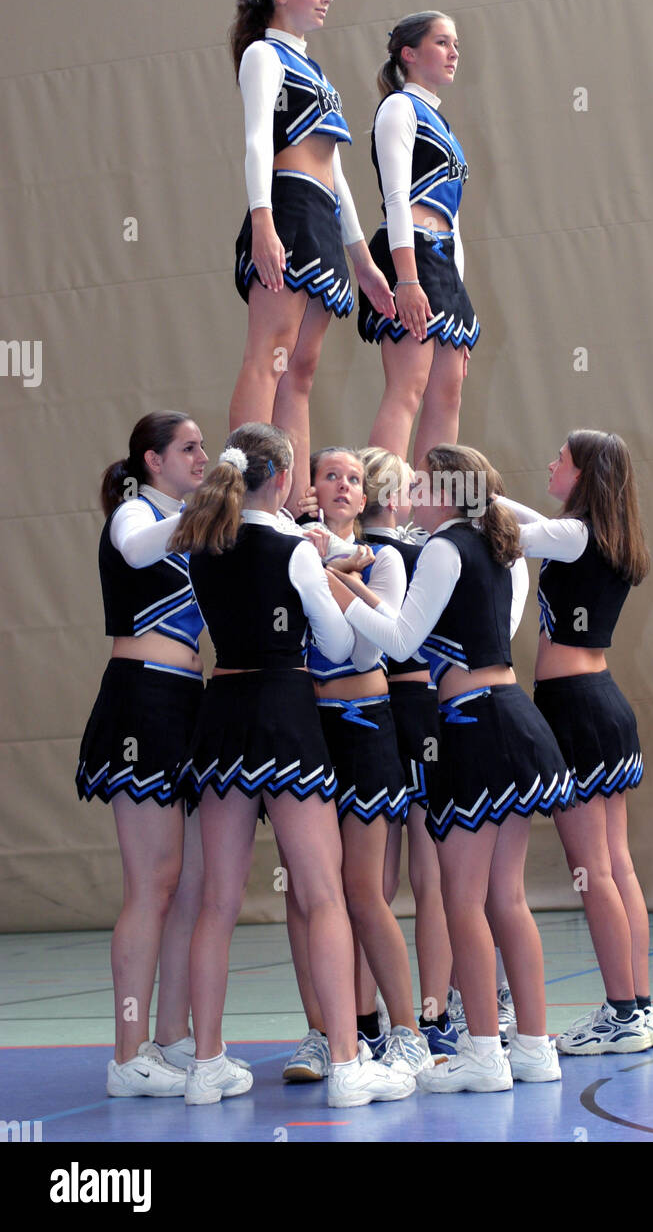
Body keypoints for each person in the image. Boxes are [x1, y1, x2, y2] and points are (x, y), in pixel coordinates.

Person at [171, 424, 416, 1108]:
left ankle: (207, 1062)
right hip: (285, 710)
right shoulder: (293, 550)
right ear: (281, 481)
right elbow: (341, 640)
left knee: (216, 900)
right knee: (322, 893)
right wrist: (332, 575)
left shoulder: (202, 545)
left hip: (222, 712)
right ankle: (346, 1061)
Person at [326, 444, 566, 1092]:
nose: (411, 497)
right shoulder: (499, 545)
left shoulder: (443, 547)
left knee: (464, 901)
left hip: (472, 724)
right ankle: (535, 1049)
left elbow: (401, 641)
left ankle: (484, 1053)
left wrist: (338, 588)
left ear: (448, 492)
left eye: (423, 484)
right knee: (507, 898)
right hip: (515, 714)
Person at [270, 445, 432, 1083]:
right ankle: (322, 1032)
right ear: (311, 488)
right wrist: (310, 556)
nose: (342, 485)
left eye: (353, 479)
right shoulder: (291, 551)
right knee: (304, 893)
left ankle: (408, 1031)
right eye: (330, 475)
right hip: (305, 728)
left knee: (364, 890)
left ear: (367, 499)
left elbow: (376, 637)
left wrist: (333, 570)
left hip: (366, 725)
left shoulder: (385, 558)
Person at [498, 430, 653, 1055]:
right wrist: (483, 489)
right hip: (604, 705)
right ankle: (638, 1007)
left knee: (592, 871)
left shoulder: (573, 537)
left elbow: (510, 531)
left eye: (560, 459)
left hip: (575, 710)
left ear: (584, 473)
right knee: (616, 866)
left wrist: (461, 493)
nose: (549, 463)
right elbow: (533, 521)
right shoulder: (602, 536)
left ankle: (622, 1012)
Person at [228, 0, 393, 511]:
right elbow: (255, 142)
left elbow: (338, 173)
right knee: (268, 354)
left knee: (300, 369)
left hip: (322, 214)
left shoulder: (315, 71)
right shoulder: (263, 55)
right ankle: (246, 493)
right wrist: (262, 221)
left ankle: (295, 504)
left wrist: (364, 262)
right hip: (287, 206)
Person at [76, 411, 212, 1097]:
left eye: (204, 447)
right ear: (152, 462)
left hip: (186, 702)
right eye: (189, 447)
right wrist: (209, 511)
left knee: (189, 884)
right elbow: (135, 553)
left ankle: (173, 1036)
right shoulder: (135, 515)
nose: (202, 456)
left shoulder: (186, 528)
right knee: (152, 884)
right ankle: (128, 1054)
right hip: (141, 700)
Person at [355, 446, 457, 1055]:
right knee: (430, 879)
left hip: (363, 712)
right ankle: (432, 1013)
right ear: (395, 497)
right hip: (416, 706)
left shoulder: (329, 553)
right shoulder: (421, 553)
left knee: (372, 883)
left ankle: (368, 1020)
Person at [358, 13, 478, 466]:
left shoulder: (443, 123)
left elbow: (455, 218)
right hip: (409, 254)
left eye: (456, 44)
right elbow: (396, 198)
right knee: (408, 386)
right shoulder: (398, 108)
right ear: (409, 54)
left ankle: (435, 510)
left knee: (448, 393)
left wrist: (457, 289)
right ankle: (384, 507)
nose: (453, 53)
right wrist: (407, 280)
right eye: (442, 43)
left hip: (442, 262)